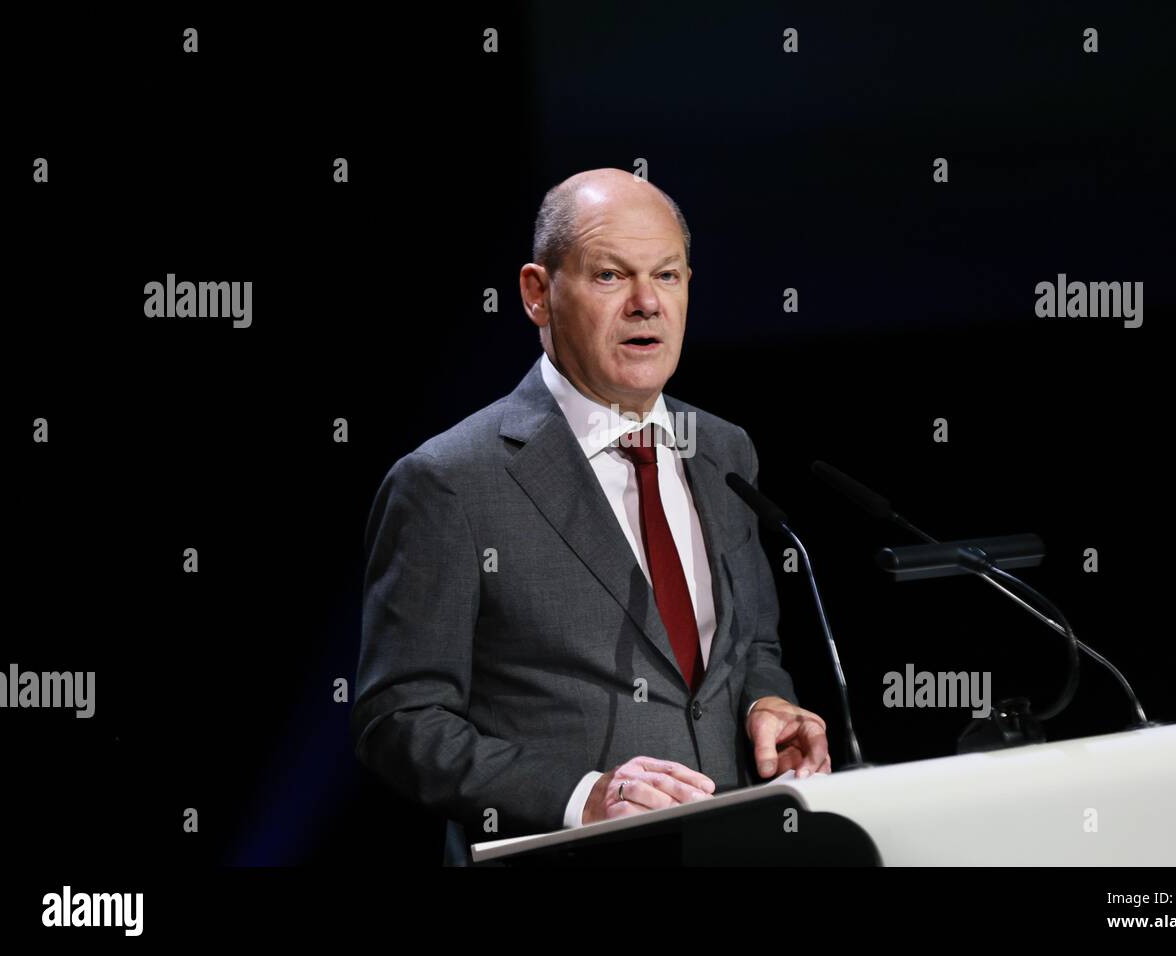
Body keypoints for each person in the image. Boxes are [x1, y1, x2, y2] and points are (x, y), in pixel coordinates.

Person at [352, 168, 830, 861]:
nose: (646, 304)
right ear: (537, 294)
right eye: (611, 276)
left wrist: (767, 707)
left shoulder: (724, 450)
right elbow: (398, 722)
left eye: (666, 276)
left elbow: (752, 649)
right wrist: (583, 797)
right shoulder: (449, 482)